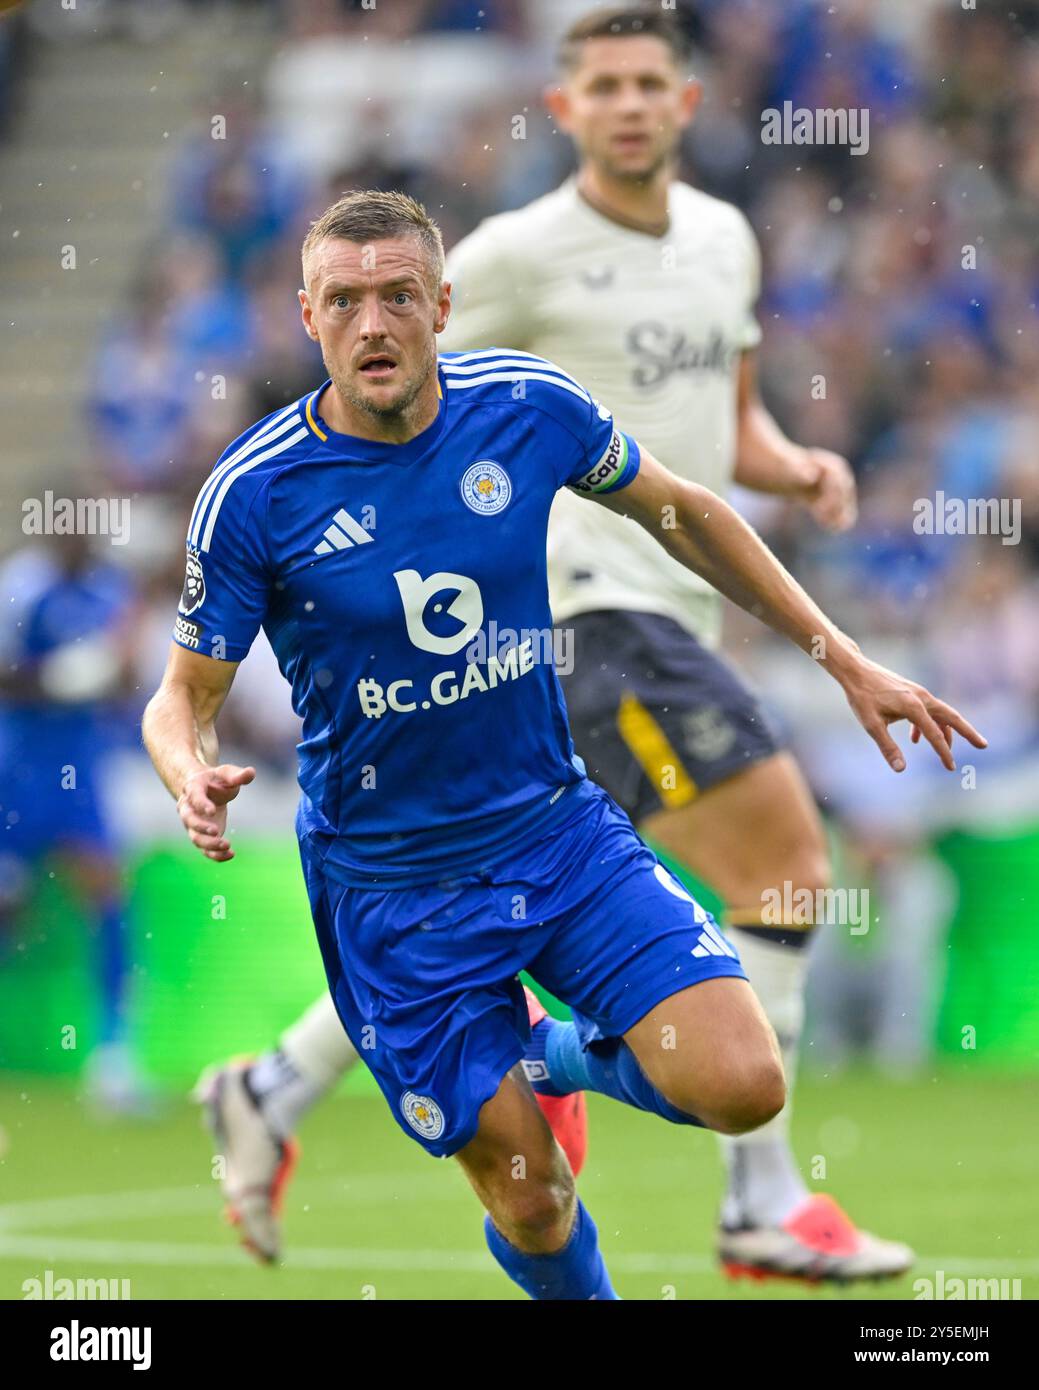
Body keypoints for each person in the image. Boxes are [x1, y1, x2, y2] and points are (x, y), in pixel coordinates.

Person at [144, 188, 983, 1300]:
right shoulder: (252, 495)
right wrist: (188, 770)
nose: (375, 324)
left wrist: (844, 655)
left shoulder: (528, 408)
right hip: (392, 892)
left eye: (400, 296)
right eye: (344, 301)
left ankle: (542, 1053)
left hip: (556, 832)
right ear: (308, 317)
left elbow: (682, 509)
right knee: (532, 1197)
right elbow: (179, 695)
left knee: (742, 1082)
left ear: (444, 304)